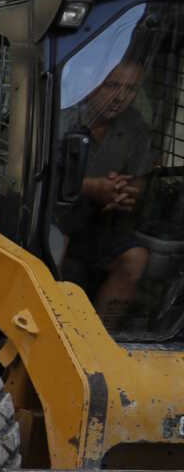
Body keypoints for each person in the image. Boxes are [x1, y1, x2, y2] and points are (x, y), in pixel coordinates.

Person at [58, 54, 153, 325]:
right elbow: (40, 176)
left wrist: (126, 192)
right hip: (53, 218)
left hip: (102, 222)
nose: (120, 97)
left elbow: (139, 179)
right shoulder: (63, 118)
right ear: (93, 83)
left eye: (131, 89)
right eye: (112, 86)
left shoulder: (135, 127)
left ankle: (102, 337)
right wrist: (92, 188)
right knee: (55, 248)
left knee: (135, 259)